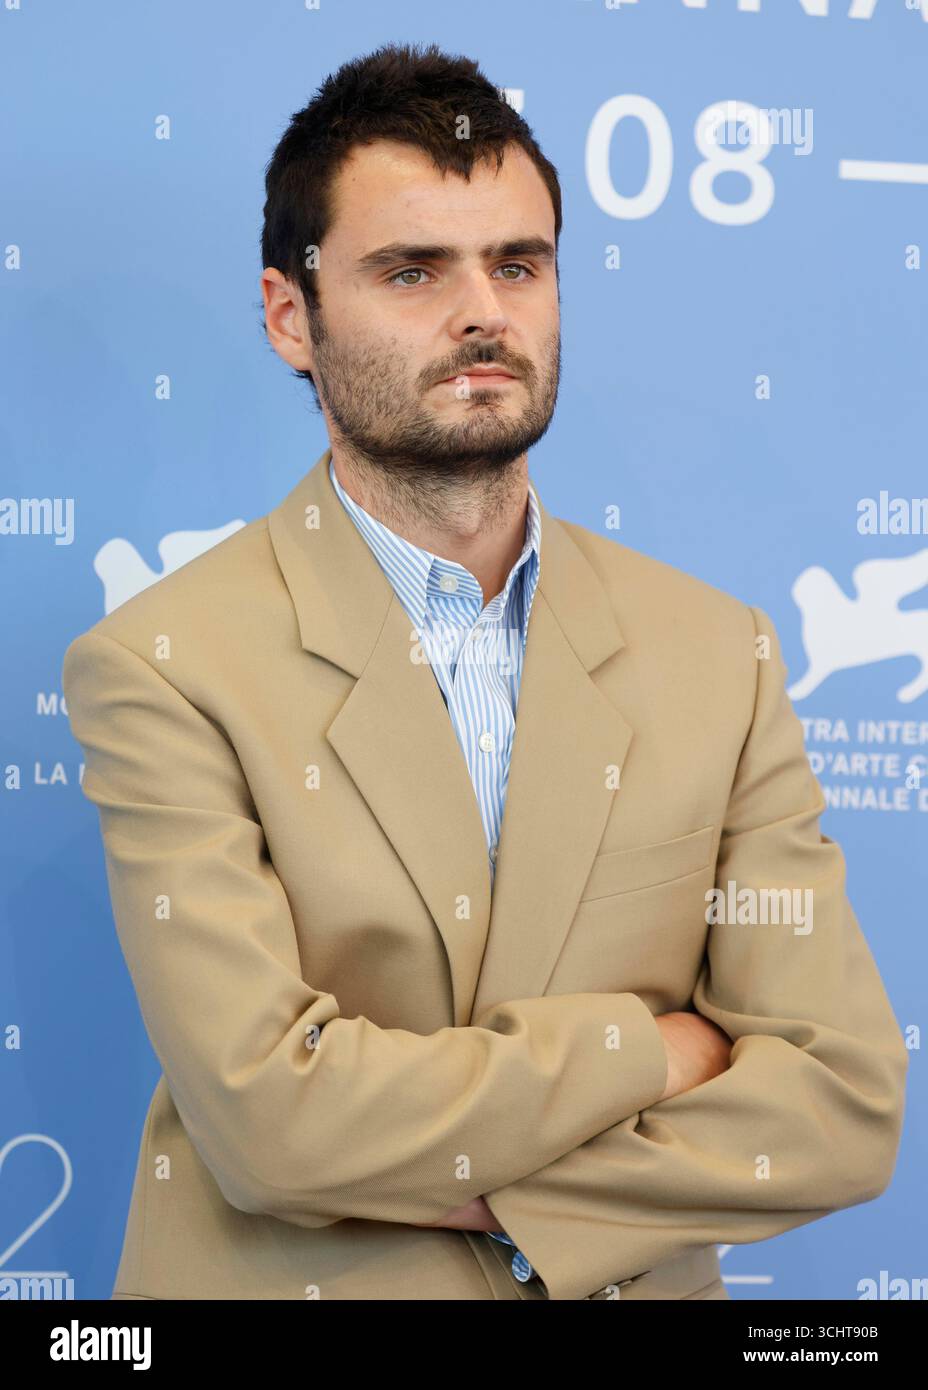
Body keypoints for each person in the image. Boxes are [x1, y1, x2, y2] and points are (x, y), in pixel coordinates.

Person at [63, 42, 908, 1301]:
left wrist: (486, 1187)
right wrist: (654, 1048)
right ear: (291, 316)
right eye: (412, 270)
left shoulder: (714, 654)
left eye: (518, 264)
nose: (483, 313)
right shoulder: (167, 664)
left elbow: (837, 1102)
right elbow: (273, 1128)